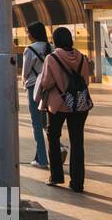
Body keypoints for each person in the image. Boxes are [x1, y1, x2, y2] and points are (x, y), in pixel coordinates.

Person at [34, 26, 94, 193]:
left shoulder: (52, 58)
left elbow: (46, 82)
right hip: (79, 104)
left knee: (53, 136)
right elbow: (86, 81)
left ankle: (56, 176)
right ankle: (77, 182)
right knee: (77, 142)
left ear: (55, 40)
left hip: (58, 104)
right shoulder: (81, 57)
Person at [21, 22, 51, 168]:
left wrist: (23, 82)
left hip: (34, 88)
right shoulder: (50, 47)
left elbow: (25, 72)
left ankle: (42, 160)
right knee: (47, 123)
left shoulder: (30, 49)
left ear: (32, 34)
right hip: (50, 88)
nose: (27, 35)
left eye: (28, 32)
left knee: (36, 124)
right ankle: (56, 147)